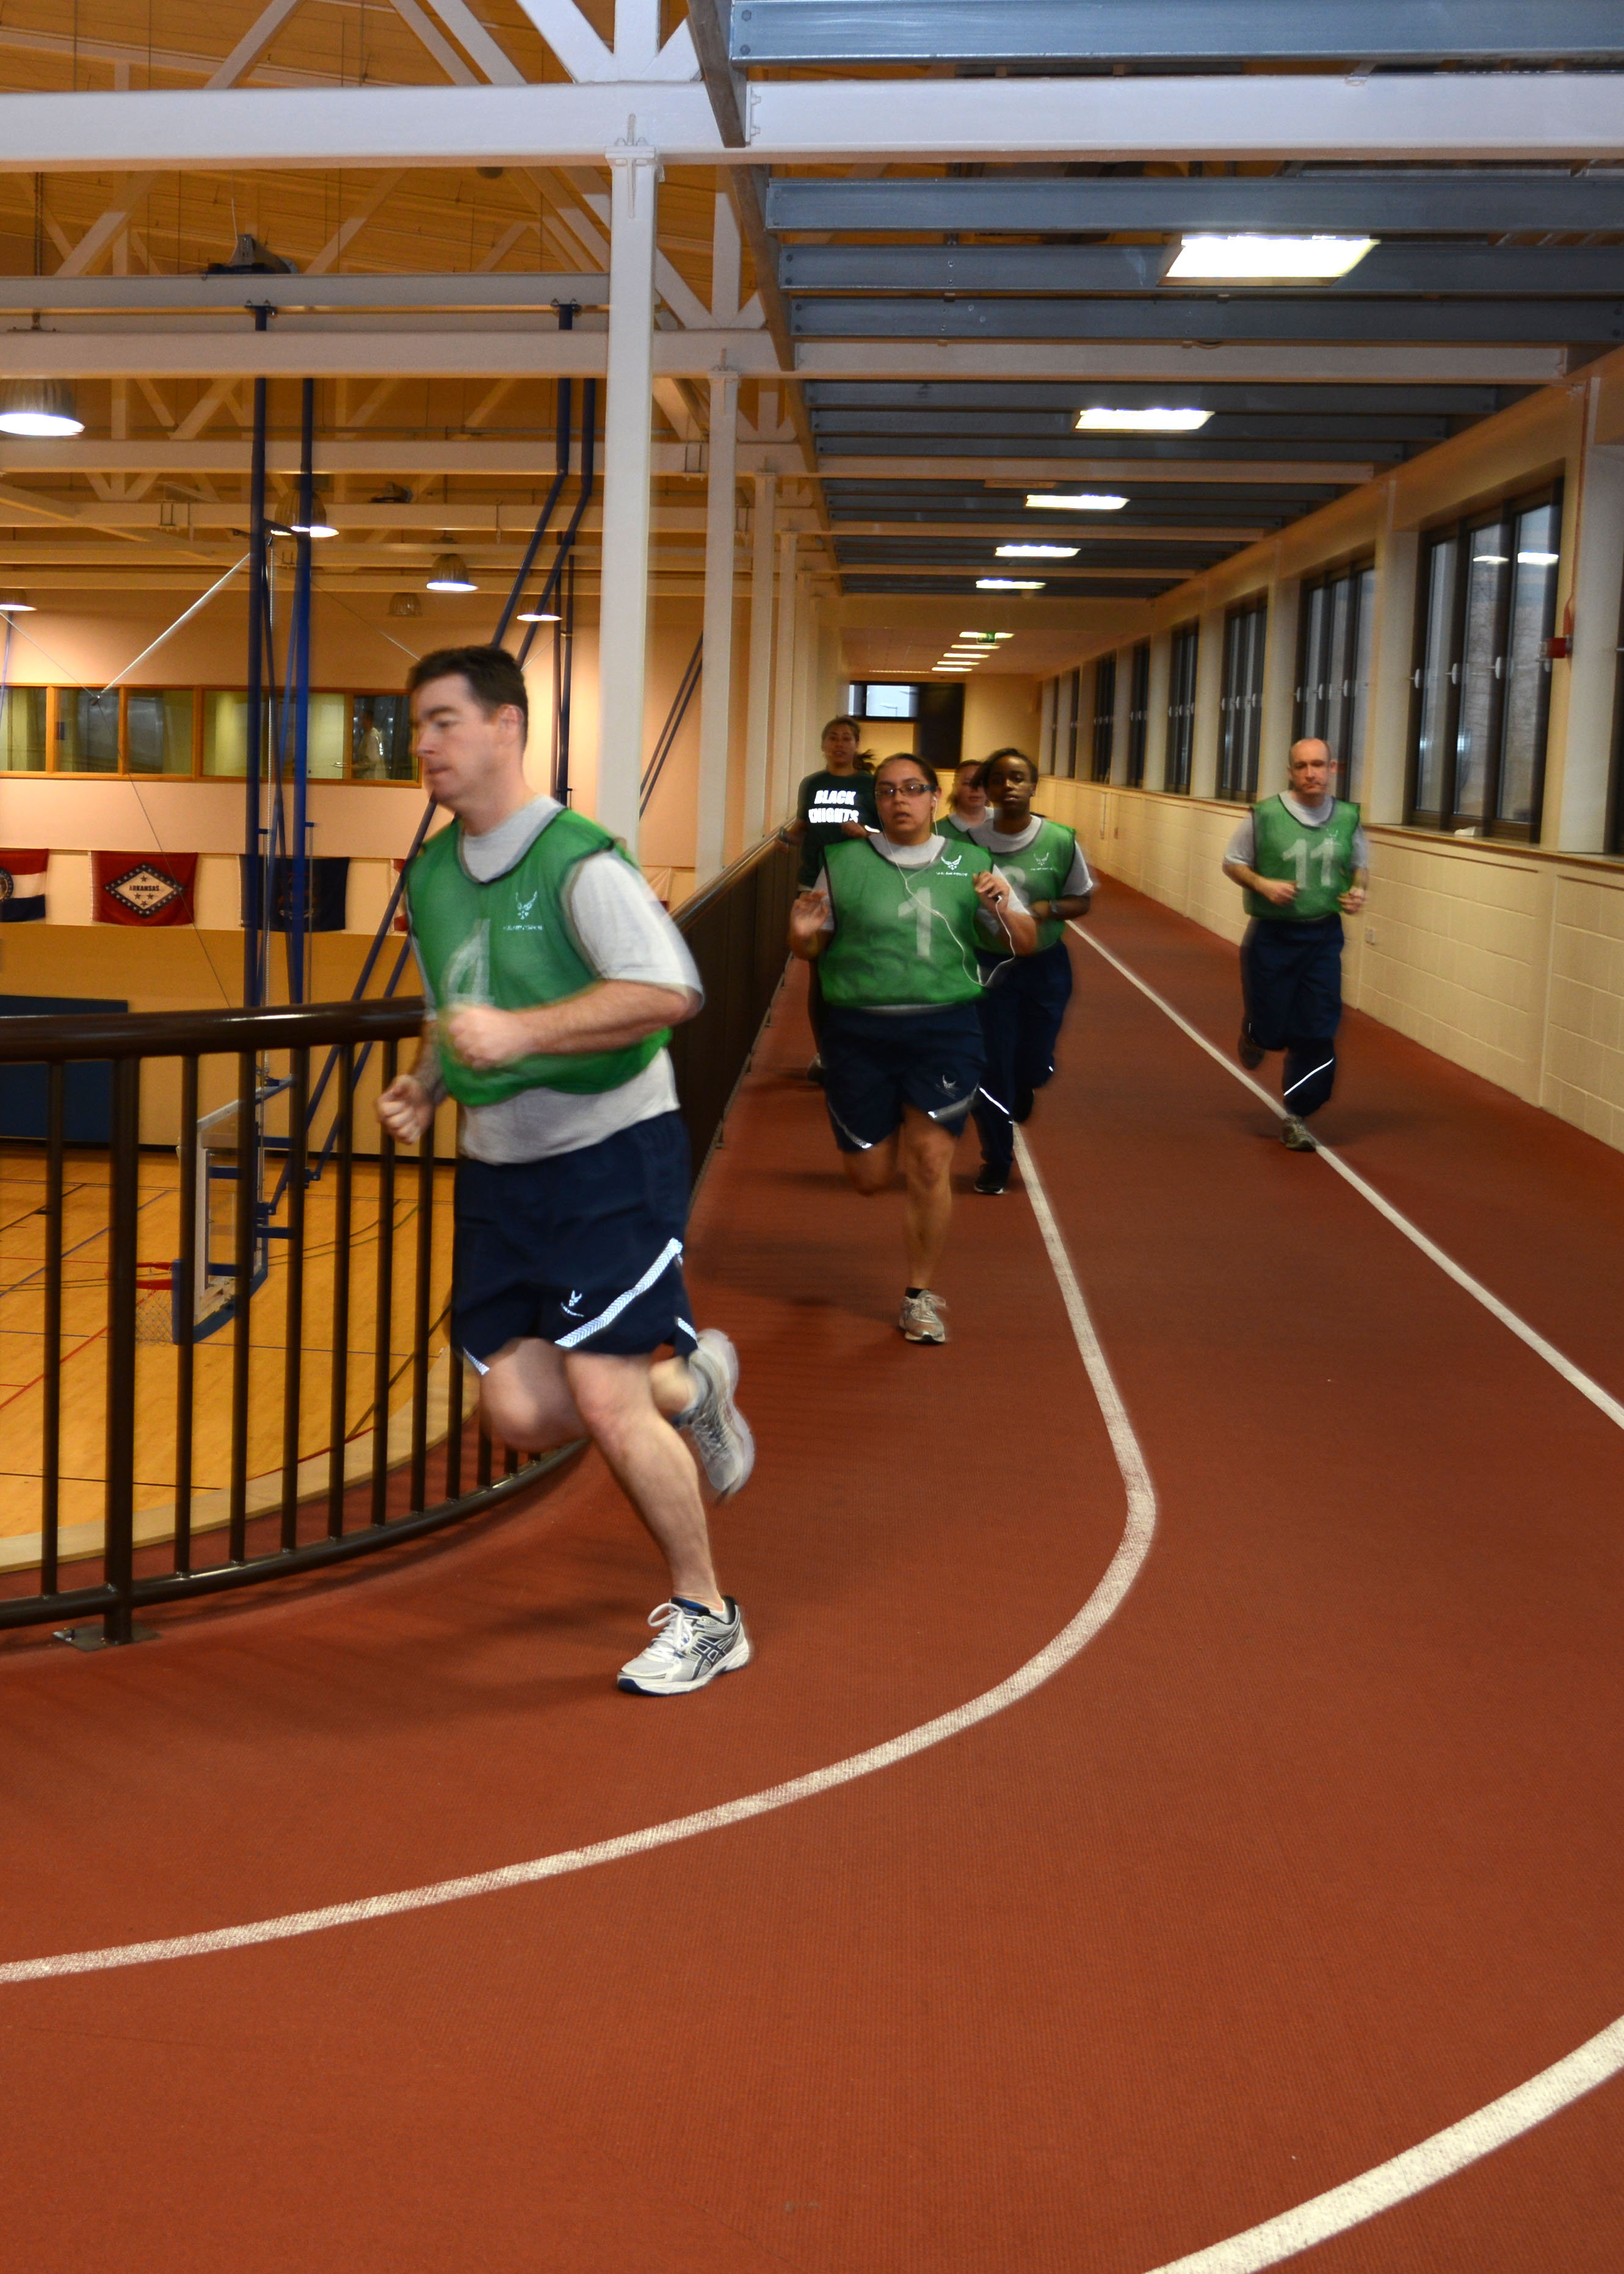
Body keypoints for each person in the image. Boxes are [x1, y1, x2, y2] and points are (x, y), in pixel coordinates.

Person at [376, 644, 754, 1698]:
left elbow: (671, 988)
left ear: (509, 726)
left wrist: (525, 1032)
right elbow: (458, 1002)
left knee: (601, 1392)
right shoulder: (433, 870)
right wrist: (427, 1081)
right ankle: (693, 1376)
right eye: (417, 727)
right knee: (519, 1410)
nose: (426, 745)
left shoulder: (580, 859)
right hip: (502, 1168)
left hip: (609, 1154)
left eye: (445, 721)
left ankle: (708, 1612)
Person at [788, 752, 1036, 1343]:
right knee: (870, 1175)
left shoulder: (973, 862)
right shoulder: (841, 862)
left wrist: (1001, 904)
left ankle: (918, 1295)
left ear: (934, 798)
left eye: (912, 788)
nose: (900, 799)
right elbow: (811, 946)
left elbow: (1024, 941)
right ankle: (891, 1120)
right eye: (887, 789)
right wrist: (799, 940)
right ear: (876, 800)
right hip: (859, 1033)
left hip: (943, 1029)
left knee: (929, 1162)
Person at [1222, 735, 1369, 1152]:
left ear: (1333, 768)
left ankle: (1298, 1114)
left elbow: (1360, 866)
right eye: (1303, 766)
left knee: (1317, 1028)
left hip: (1323, 937)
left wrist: (1358, 891)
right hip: (1273, 936)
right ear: (1291, 772)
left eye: (1319, 765)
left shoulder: (1347, 818)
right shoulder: (1264, 815)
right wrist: (1262, 884)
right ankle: (1255, 1031)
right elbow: (1232, 862)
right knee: (1271, 1025)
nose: (1312, 773)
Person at [963, 747, 1095, 1196]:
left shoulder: (1060, 840)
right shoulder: (970, 843)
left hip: (1045, 966)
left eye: (1018, 778)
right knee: (991, 1066)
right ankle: (996, 1159)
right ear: (988, 790)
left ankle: (1028, 1080)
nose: (1009, 786)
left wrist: (1049, 908)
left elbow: (1082, 899)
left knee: (1031, 1064)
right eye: (998, 779)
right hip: (989, 966)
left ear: (1034, 785)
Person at [938, 760, 990, 840]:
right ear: (955, 787)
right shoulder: (938, 831)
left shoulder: (1005, 823)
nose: (975, 789)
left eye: (981, 783)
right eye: (967, 783)